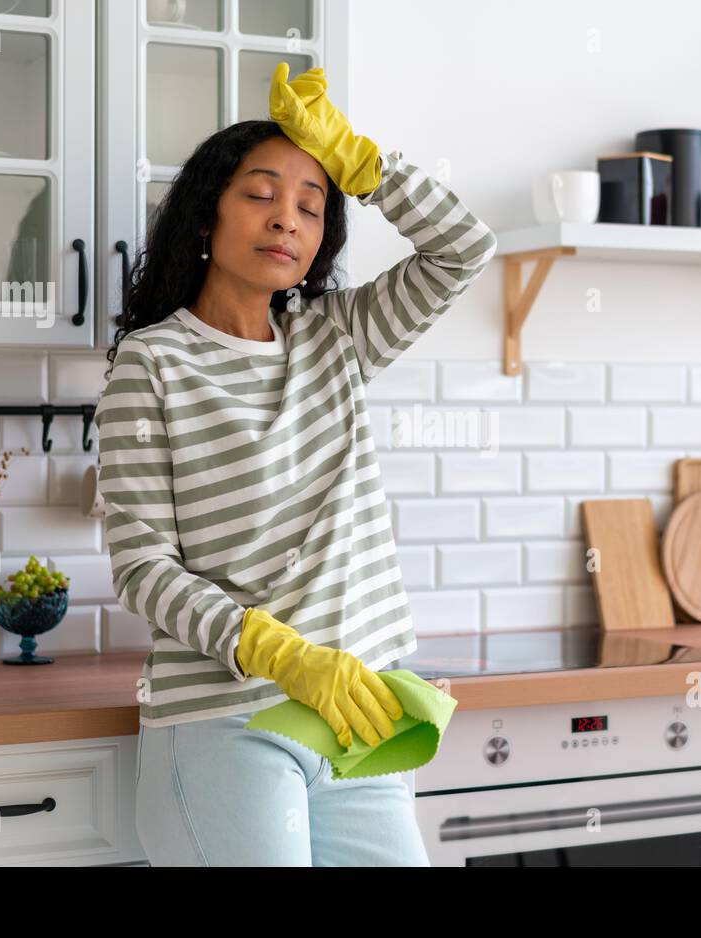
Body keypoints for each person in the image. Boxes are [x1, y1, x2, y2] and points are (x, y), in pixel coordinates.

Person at [94, 63, 497, 866]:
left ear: (318, 246)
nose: (286, 219)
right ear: (207, 214)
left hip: (356, 714)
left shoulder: (335, 338)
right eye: (260, 194)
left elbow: (465, 250)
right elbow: (142, 567)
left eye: (310, 206)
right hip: (228, 718)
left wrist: (363, 161)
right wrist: (277, 650)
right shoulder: (154, 361)